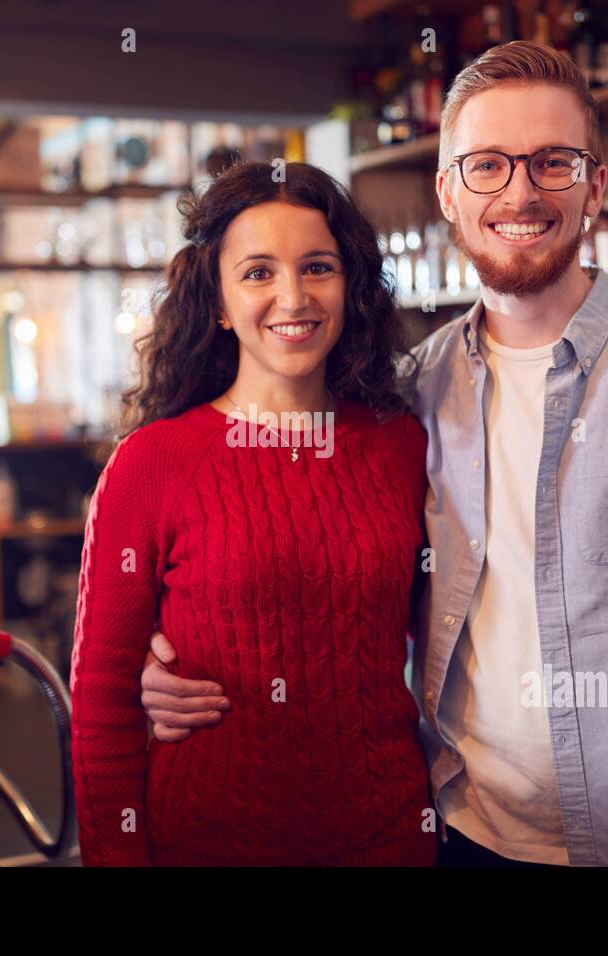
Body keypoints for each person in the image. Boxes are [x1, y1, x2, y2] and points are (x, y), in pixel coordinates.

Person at [139, 41, 608, 867]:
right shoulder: (411, 392)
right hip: (448, 828)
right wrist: (165, 656)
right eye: (487, 165)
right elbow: (298, 565)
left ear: (596, 185)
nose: (521, 193)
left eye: (553, 162)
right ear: (448, 193)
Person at [69, 160, 437, 866]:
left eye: (318, 267)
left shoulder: (402, 445)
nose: (293, 297)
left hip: (388, 839)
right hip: (206, 844)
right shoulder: (152, 464)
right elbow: (101, 706)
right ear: (217, 300)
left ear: (349, 285)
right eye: (258, 272)